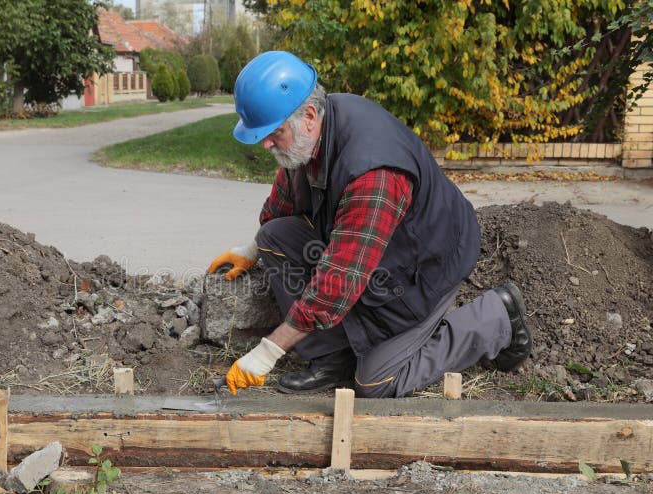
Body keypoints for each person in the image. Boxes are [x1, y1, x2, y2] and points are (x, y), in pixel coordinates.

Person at [208, 51, 532, 397]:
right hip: (374, 251)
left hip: (424, 265)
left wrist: (267, 352)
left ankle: (495, 318)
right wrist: (252, 250)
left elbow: (338, 281)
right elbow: (283, 204)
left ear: (309, 116)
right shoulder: (310, 135)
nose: (266, 143)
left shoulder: (373, 173)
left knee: (376, 383)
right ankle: (333, 358)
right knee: (274, 236)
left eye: (274, 132)